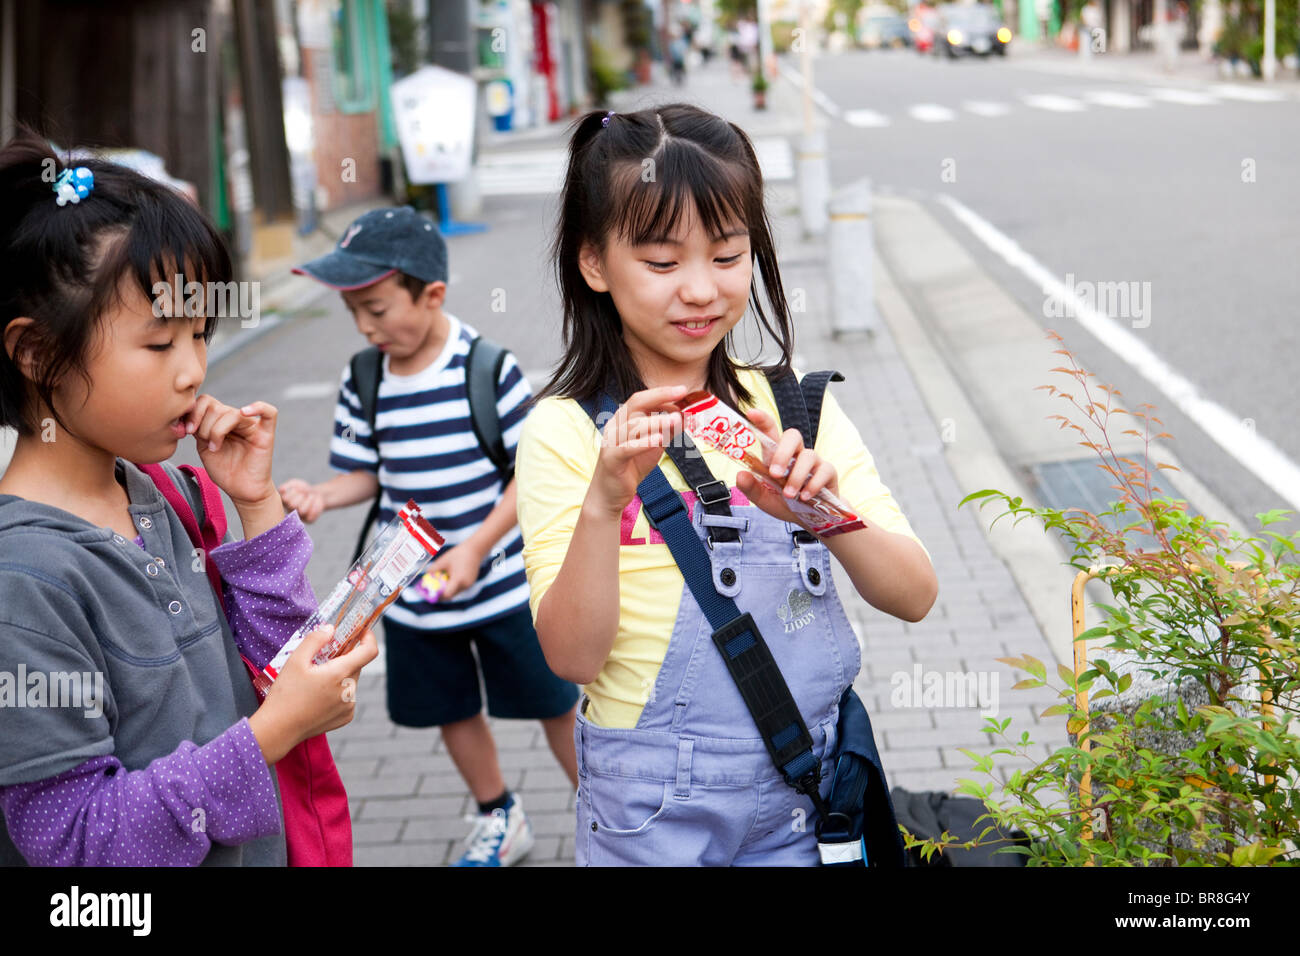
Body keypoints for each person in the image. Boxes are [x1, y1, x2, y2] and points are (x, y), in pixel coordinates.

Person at [515, 104, 939, 866]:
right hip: (650, 813)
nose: (701, 290)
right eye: (662, 262)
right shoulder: (565, 429)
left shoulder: (794, 406)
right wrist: (606, 498)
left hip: (807, 803)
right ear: (593, 263)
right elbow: (574, 658)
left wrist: (825, 513)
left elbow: (913, 595)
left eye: (726, 254)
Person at [0, 128, 376, 866]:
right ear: (37, 351)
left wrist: (256, 503)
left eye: (200, 334)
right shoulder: (24, 581)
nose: (193, 370)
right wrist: (275, 731)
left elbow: (273, 666)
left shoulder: (164, 494)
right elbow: (76, 840)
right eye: (159, 342)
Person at [278, 206, 579, 867]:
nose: (364, 325)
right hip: (411, 590)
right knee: (451, 708)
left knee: (555, 702)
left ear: (432, 293)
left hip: (501, 584)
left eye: (378, 308)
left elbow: (531, 474)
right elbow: (366, 473)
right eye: (353, 310)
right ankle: (499, 814)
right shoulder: (362, 378)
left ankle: (604, 817)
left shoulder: (487, 368)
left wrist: (475, 547)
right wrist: (319, 495)